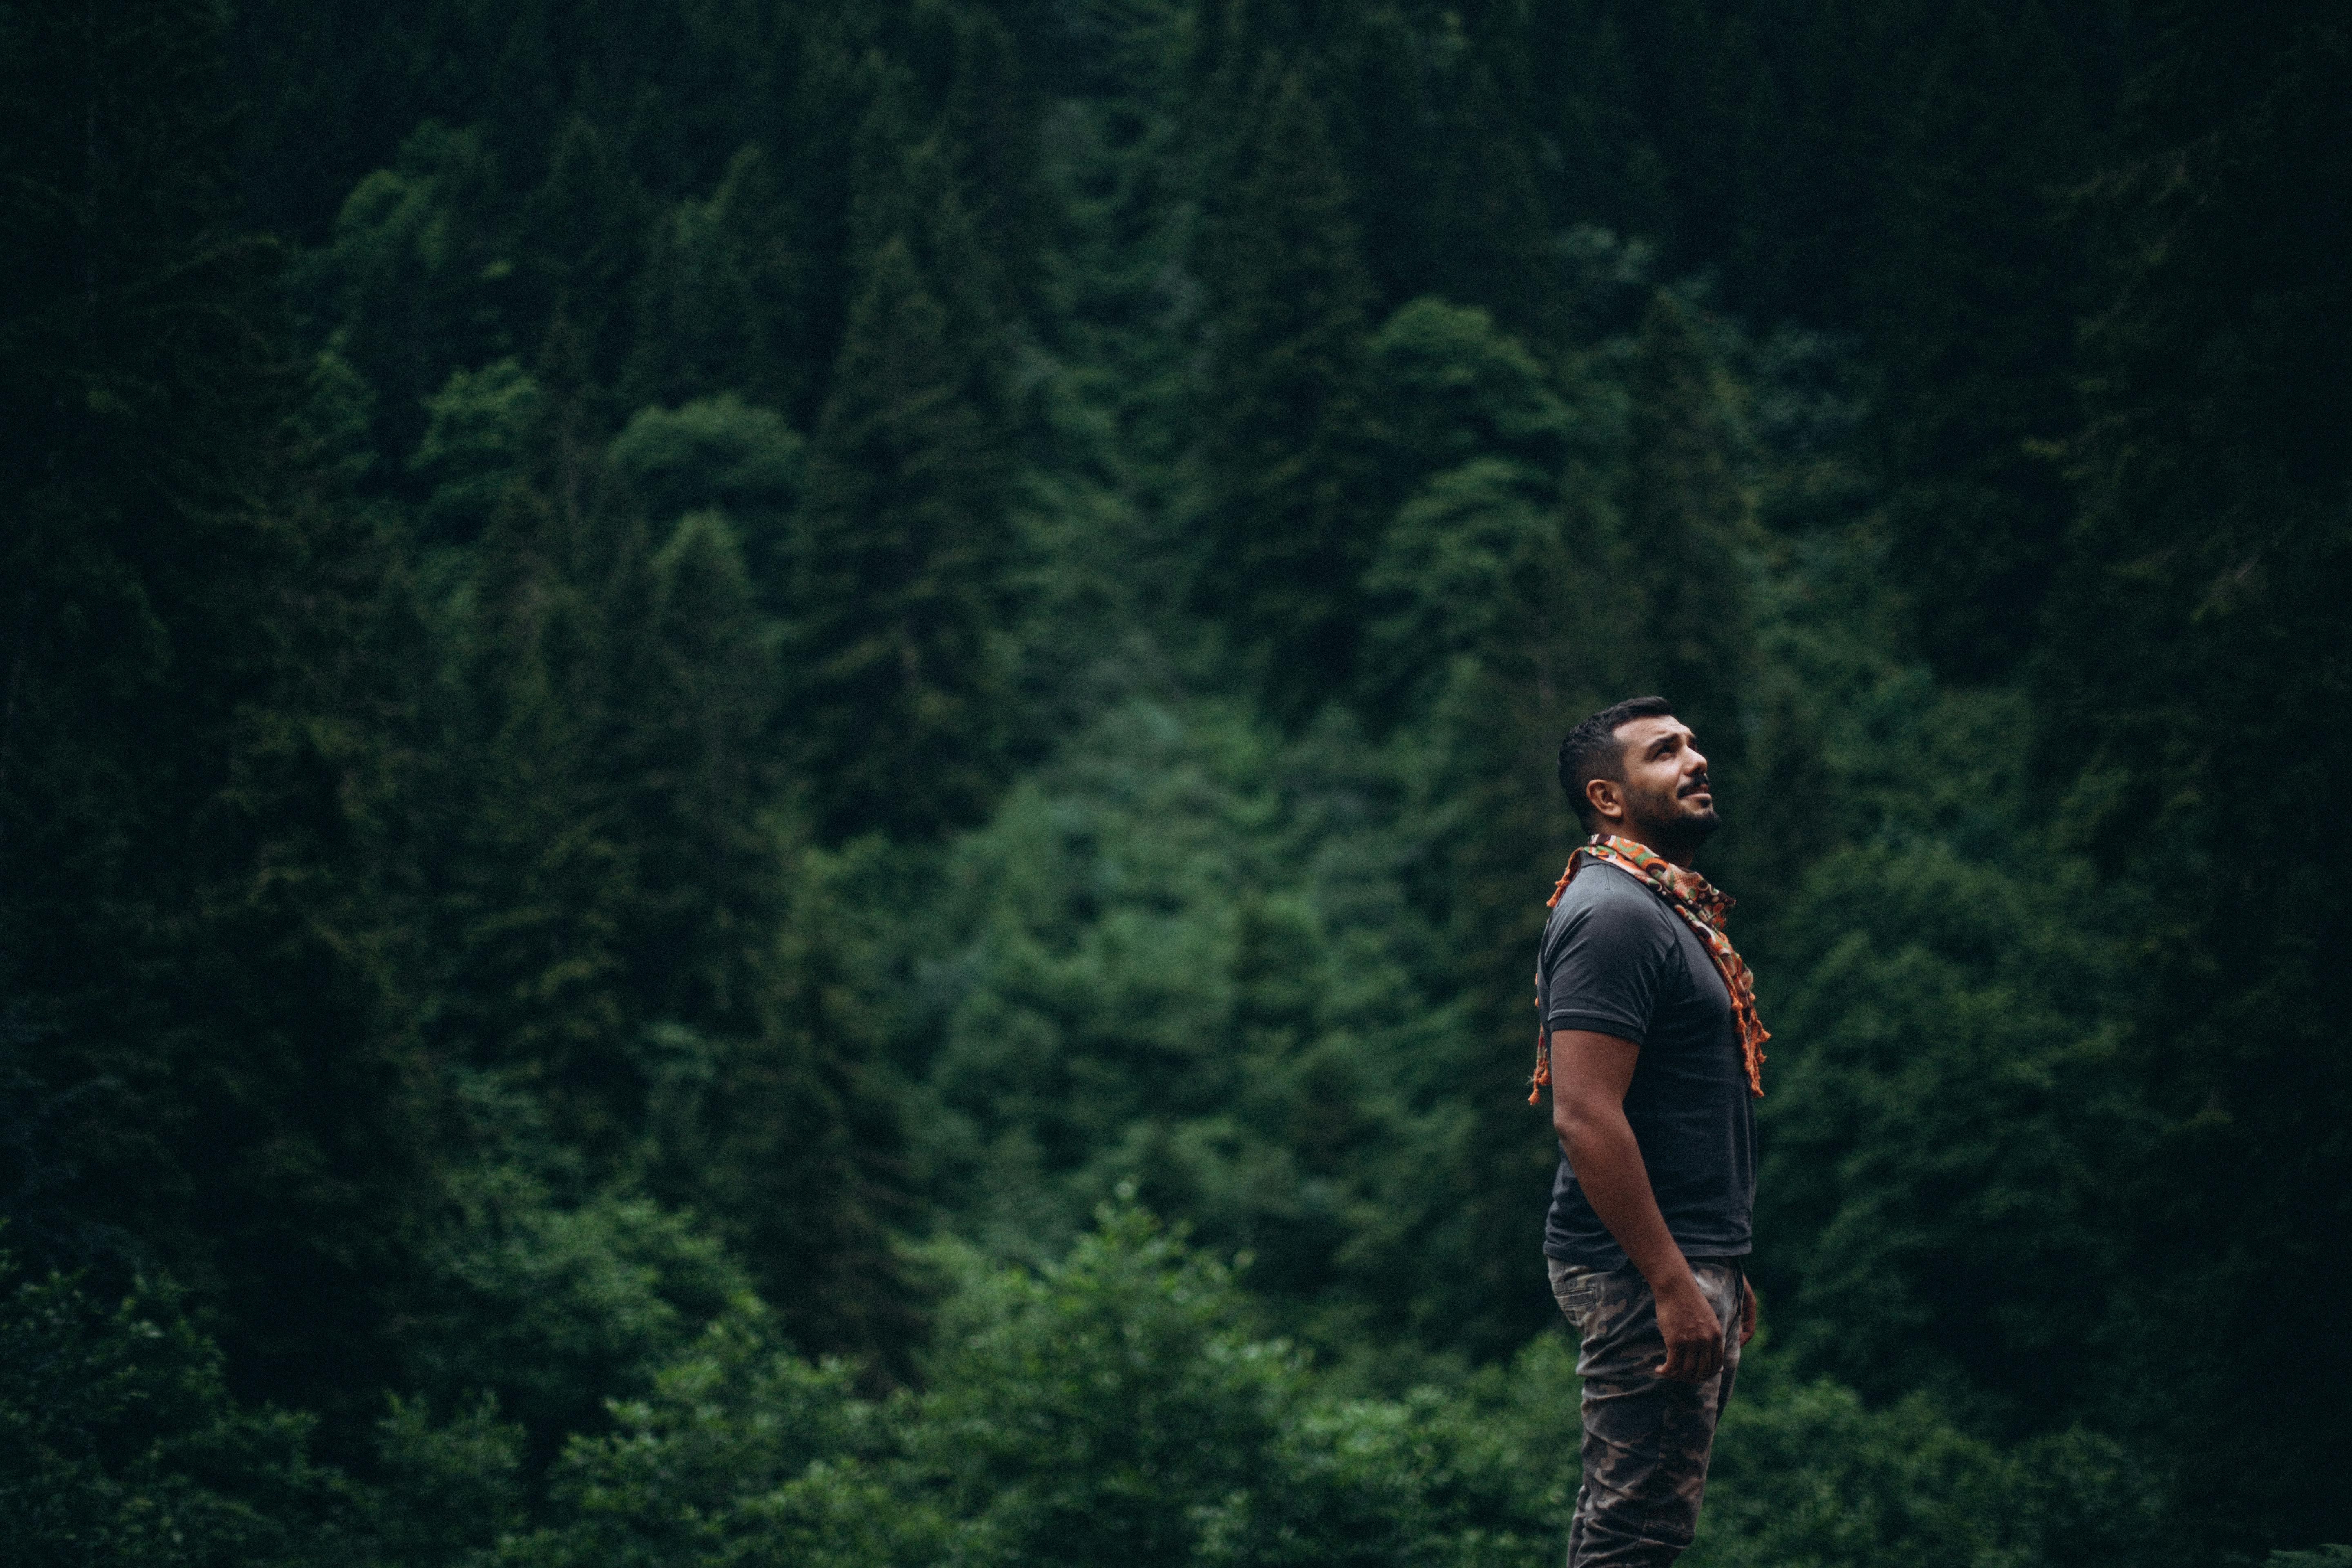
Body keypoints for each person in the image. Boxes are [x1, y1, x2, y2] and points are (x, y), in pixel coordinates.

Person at [1533, 695, 1768, 1566]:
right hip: (1639, 1269)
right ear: (1608, 797)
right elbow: (1584, 1115)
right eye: (1666, 753)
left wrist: (1717, 1267)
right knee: (1638, 1537)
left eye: (1695, 745)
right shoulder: (1617, 916)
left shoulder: (1662, 907)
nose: (1696, 760)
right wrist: (1673, 1282)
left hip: (1679, 1256)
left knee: (1628, 1523)